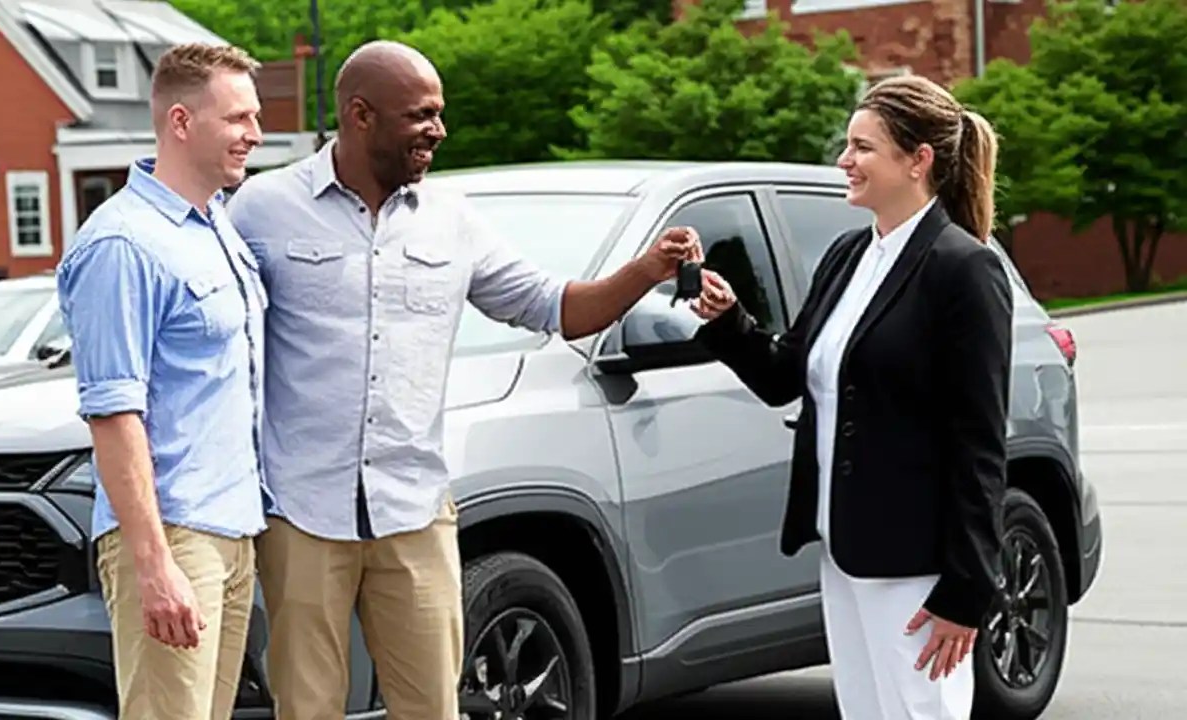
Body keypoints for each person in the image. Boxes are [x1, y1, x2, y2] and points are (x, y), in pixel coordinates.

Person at [225, 39, 701, 720]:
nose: (438, 131)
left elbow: (555, 308)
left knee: (433, 706)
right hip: (300, 513)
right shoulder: (261, 210)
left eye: (439, 114)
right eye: (421, 115)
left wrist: (646, 271)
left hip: (413, 507)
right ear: (361, 115)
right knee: (307, 707)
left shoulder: (454, 220)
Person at [690, 74, 1011, 719]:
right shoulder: (847, 256)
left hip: (919, 566)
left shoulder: (963, 269)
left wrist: (967, 590)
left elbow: (979, 443)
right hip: (847, 552)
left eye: (863, 147)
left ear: (918, 160)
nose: (844, 160)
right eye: (848, 145)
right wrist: (730, 323)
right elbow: (787, 376)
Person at [56, 43, 268, 720]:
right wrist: (153, 564)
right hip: (173, 536)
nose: (255, 134)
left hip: (232, 532)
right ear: (181, 122)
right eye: (237, 118)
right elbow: (114, 414)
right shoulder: (122, 244)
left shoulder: (216, 229)